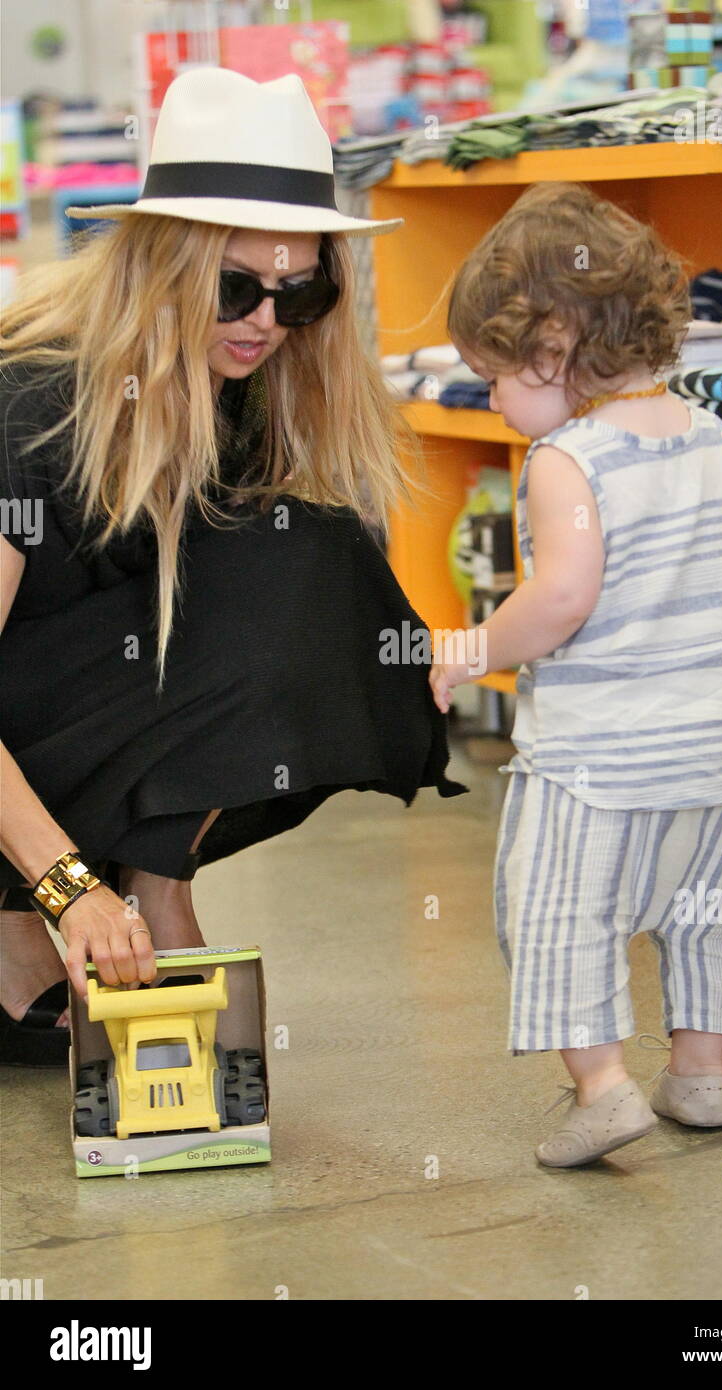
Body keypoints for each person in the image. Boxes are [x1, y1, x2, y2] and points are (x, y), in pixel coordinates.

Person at [0, 68, 467, 1067]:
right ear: (161, 268)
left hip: (64, 742)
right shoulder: (35, 403)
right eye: (236, 287)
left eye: (300, 290)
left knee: (328, 577)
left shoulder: (235, 395)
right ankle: (27, 934)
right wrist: (66, 890)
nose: (266, 320)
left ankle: (143, 892)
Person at [430, 182, 722, 1167]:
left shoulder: (565, 455)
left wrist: (477, 646)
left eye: (492, 375)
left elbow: (563, 595)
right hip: (716, 746)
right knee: (707, 909)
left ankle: (604, 1086)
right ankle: (701, 1076)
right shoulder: (710, 430)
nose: (491, 400)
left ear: (551, 348)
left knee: (556, 910)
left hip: (597, 759)